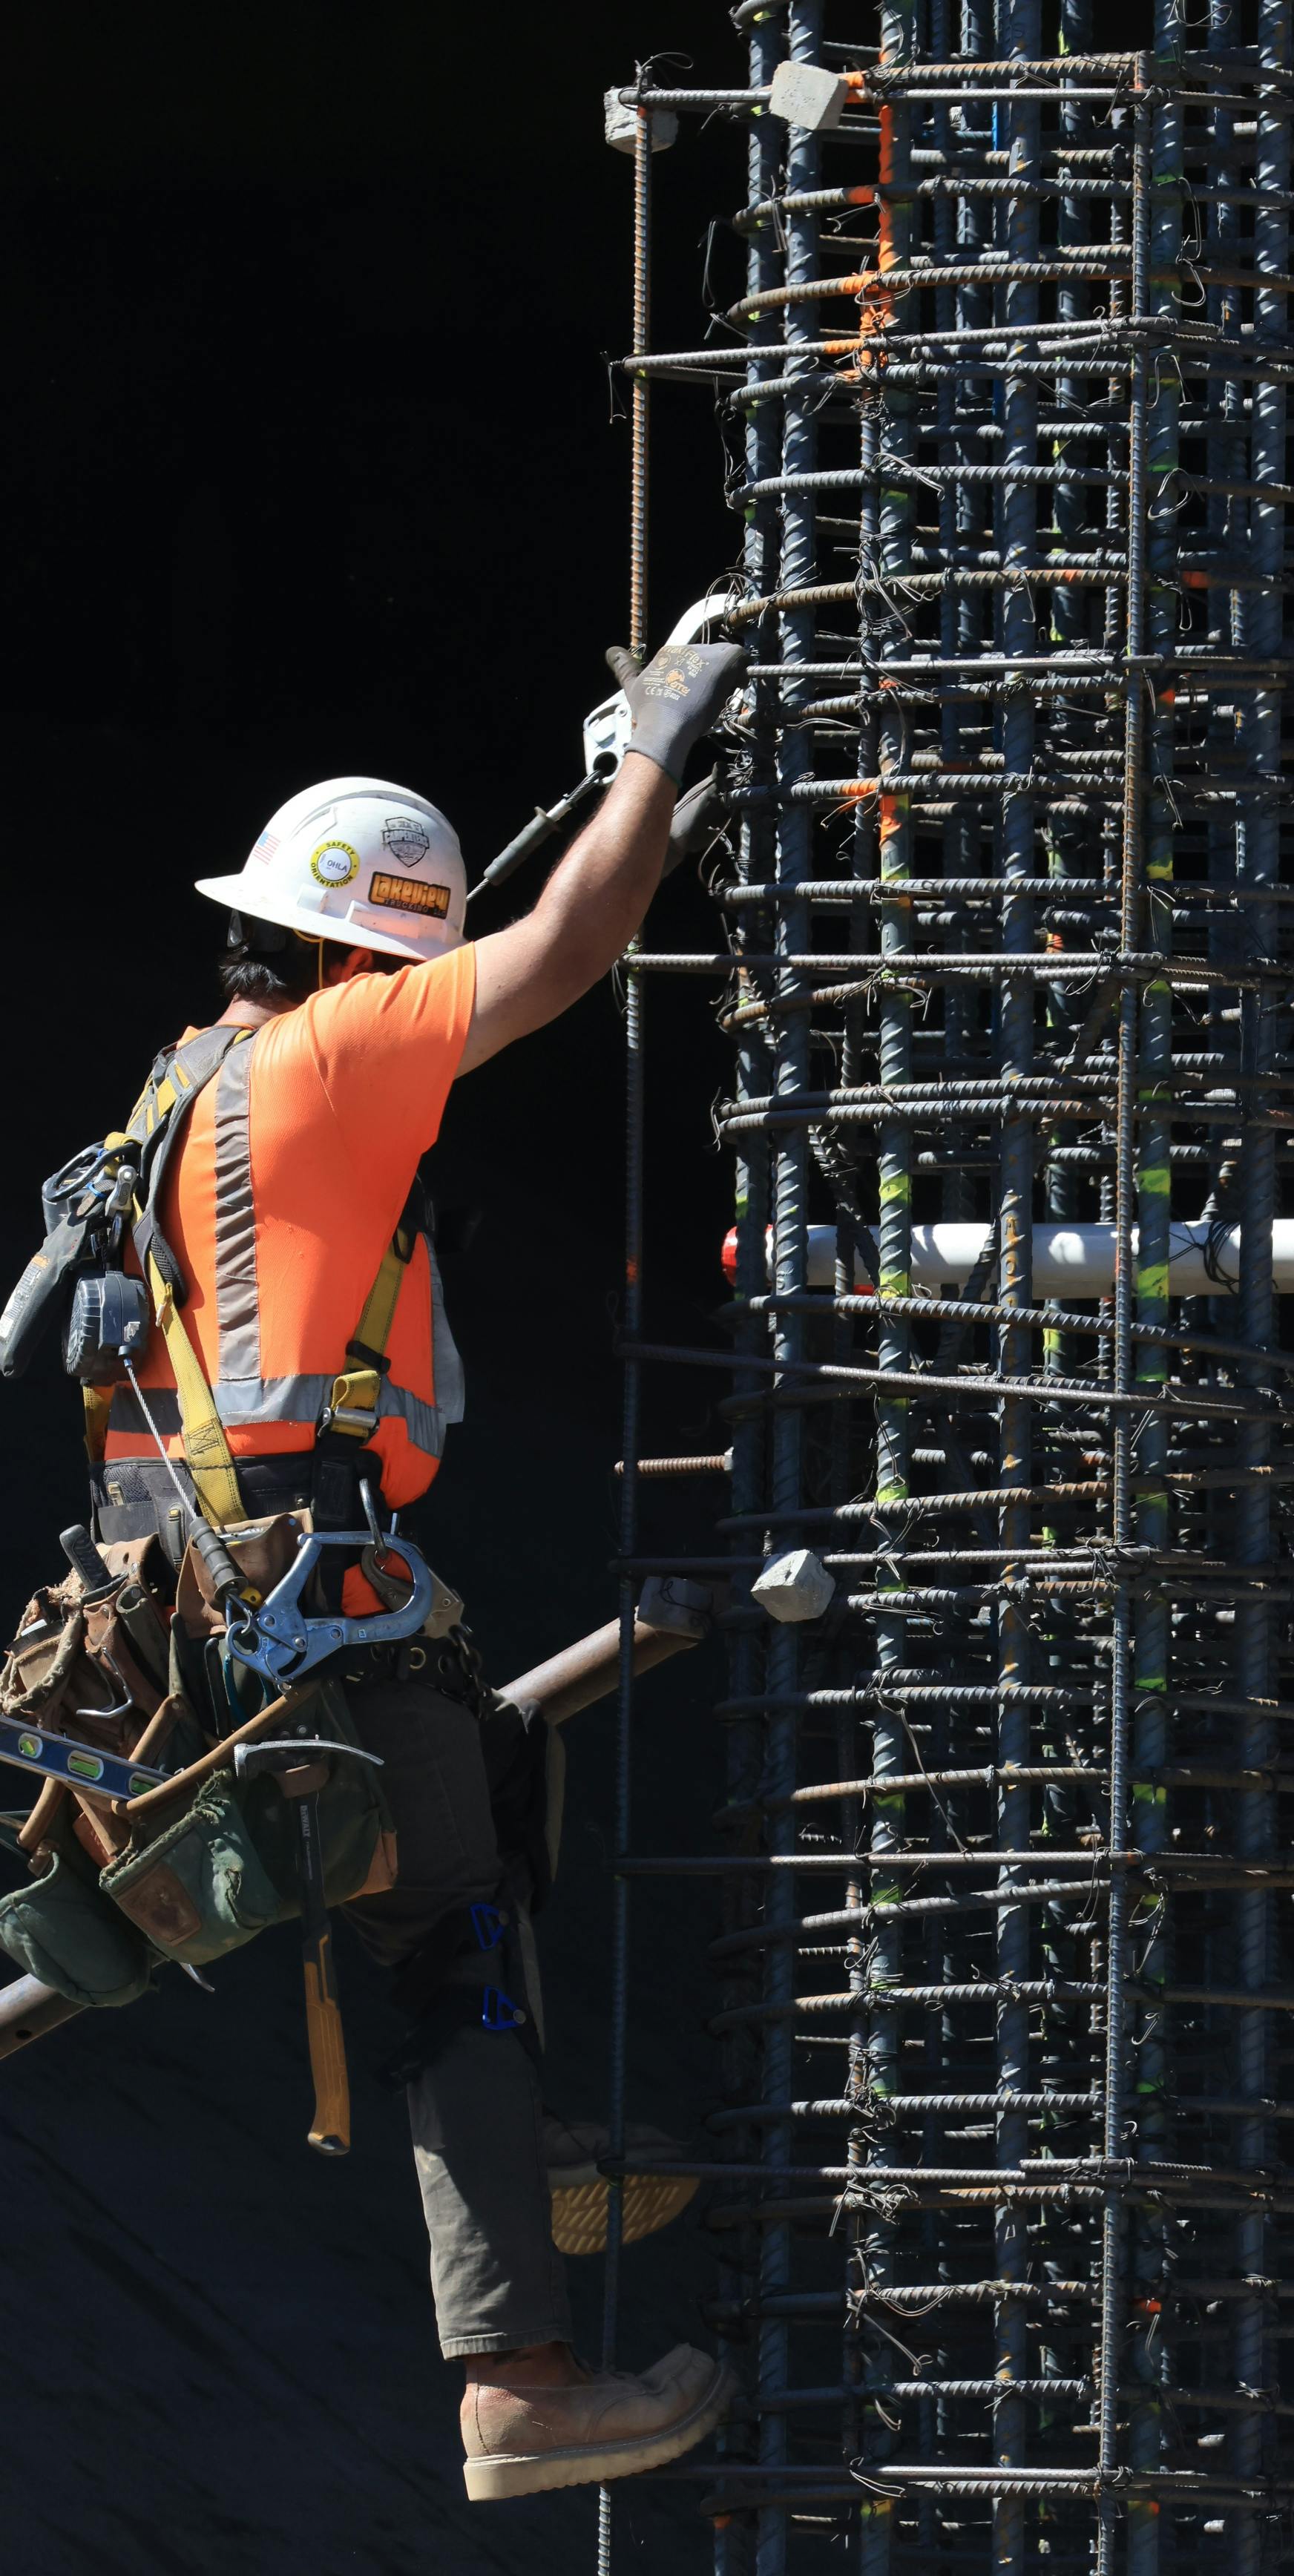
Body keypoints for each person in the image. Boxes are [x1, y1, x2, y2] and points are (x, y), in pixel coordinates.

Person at [76, 640, 743, 2500]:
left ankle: (517, 2173)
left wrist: (642, 803)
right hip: (303, 1616)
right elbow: (560, 954)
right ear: (366, 958)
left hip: (201, 1620)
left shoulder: (182, 1087)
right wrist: (656, 775)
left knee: (477, 1821)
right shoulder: (338, 1050)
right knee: (452, 1937)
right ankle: (514, 2373)